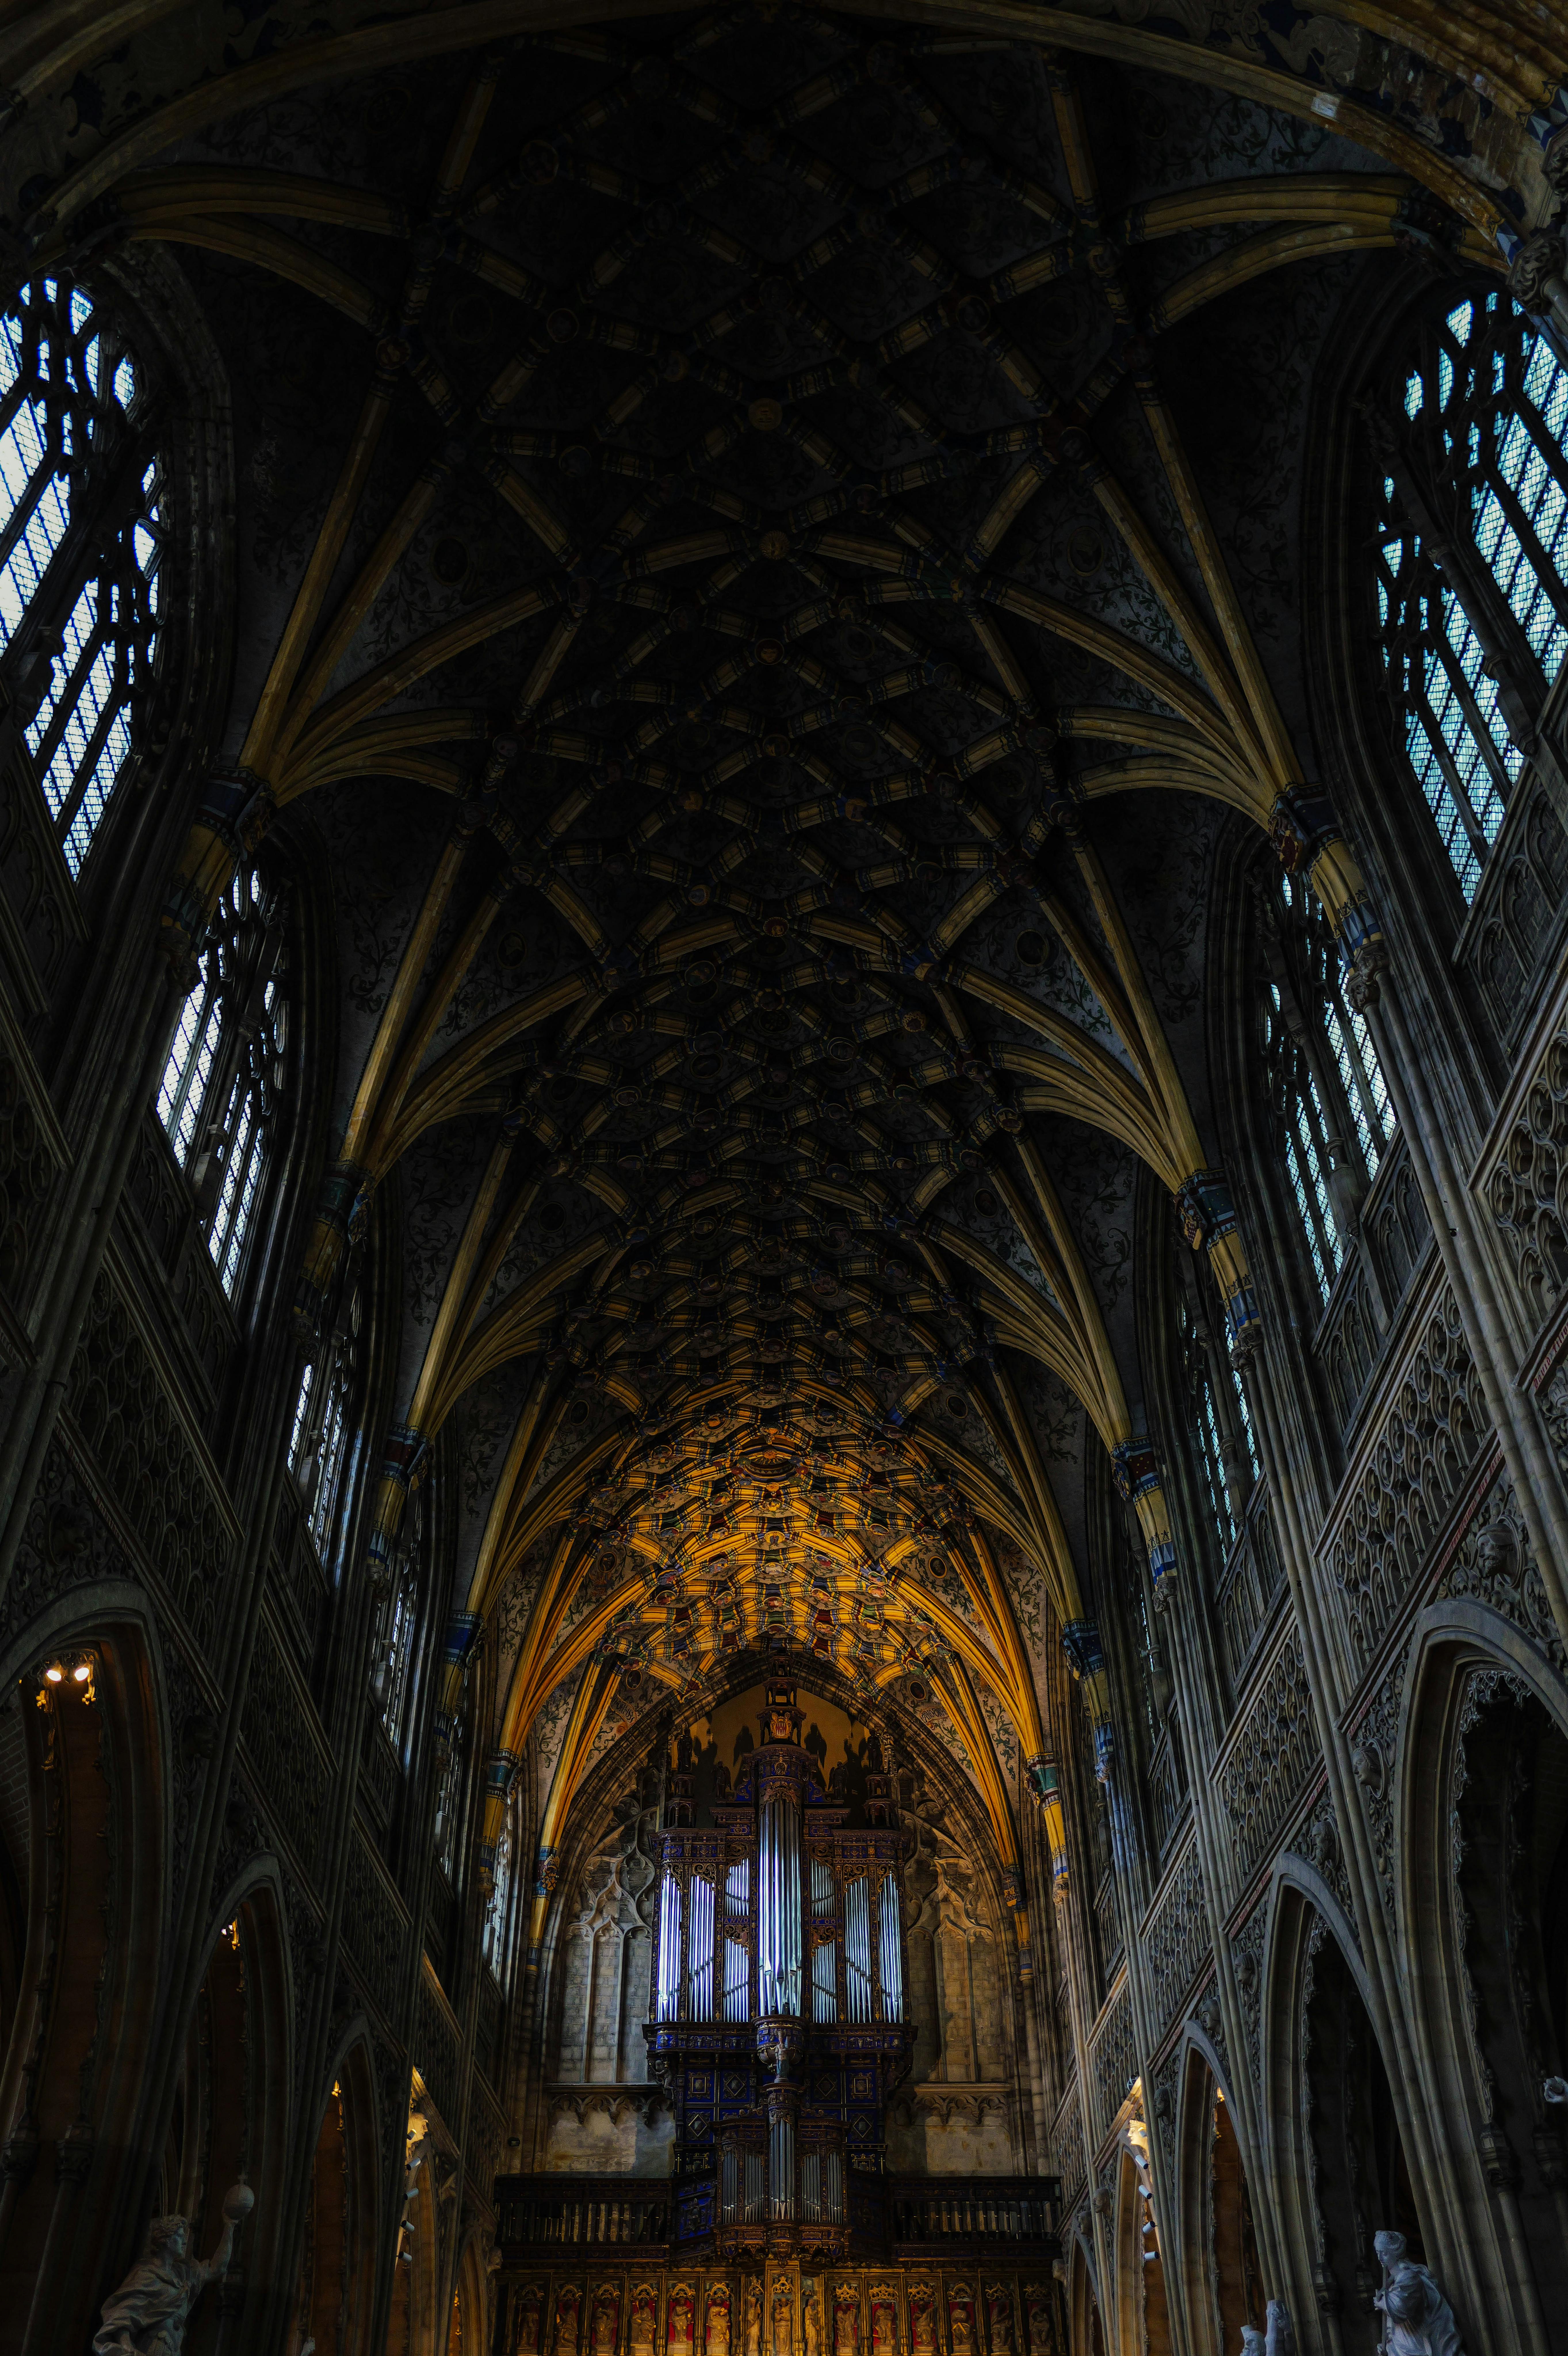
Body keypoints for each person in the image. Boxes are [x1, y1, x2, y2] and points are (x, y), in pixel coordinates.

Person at [93, 2205, 244, 2356]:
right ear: (167, 2240)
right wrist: (127, 2347)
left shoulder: (184, 2273)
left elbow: (217, 2268)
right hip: (153, 2347)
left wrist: (229, 2225)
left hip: (173, 2348)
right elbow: (123, 2315)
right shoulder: (147, 2273)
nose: (184, 2242)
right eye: (180, 2236)